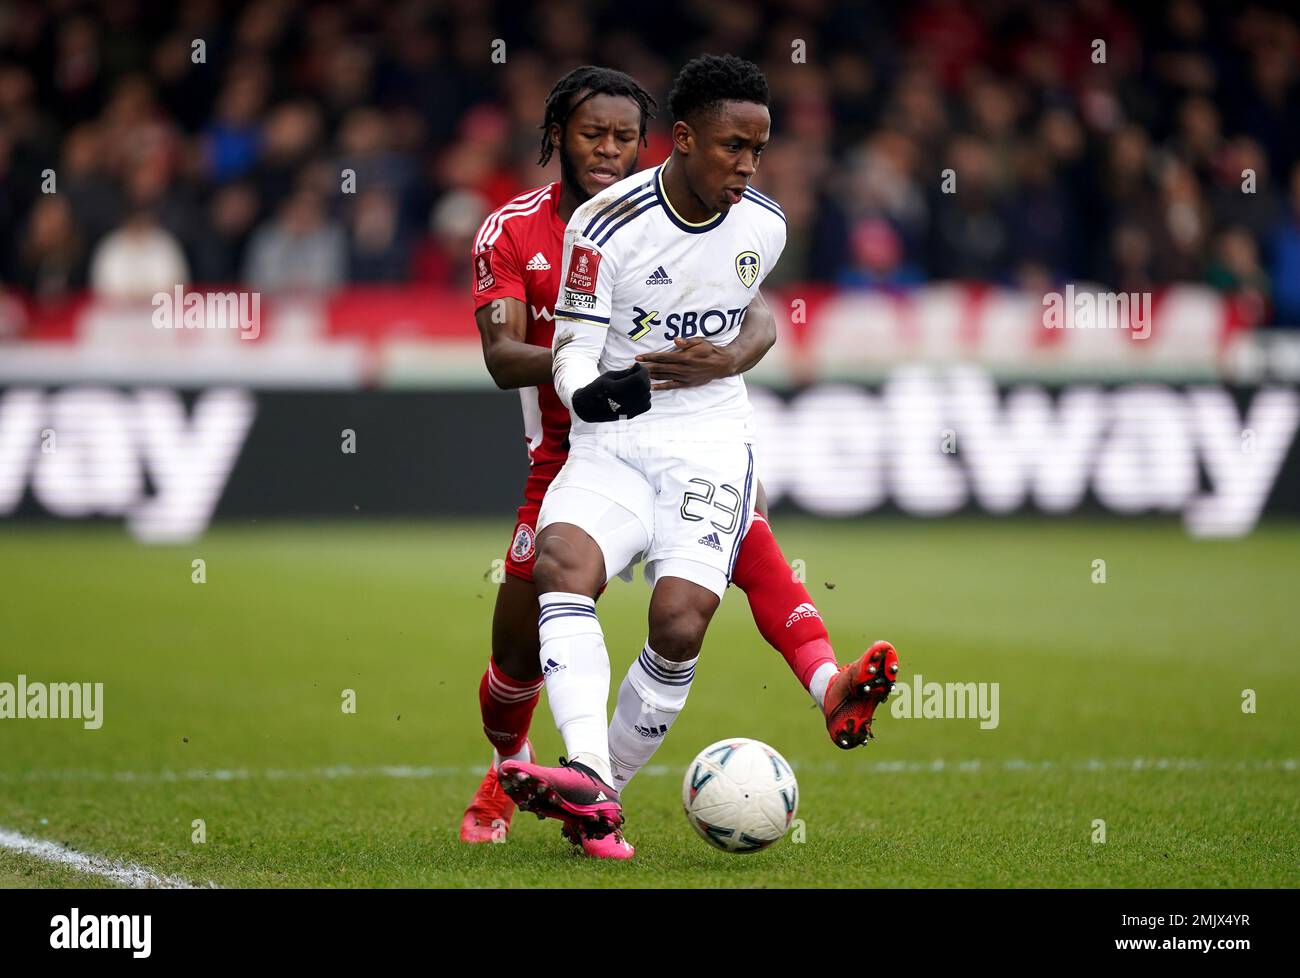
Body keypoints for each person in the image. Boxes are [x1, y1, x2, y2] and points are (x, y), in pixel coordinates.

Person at [494, 56, 899, 859]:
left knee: (679, 623)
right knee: (561, 567)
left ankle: (598, 794)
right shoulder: (603, 224)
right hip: (612, 438)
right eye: (731, 147)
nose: (747, 165)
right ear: (682, 139)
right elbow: (569, 350)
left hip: (709, 442)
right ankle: (581, 765)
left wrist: (734, 355)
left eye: (758, 148)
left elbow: (757, 314)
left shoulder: (767, 224)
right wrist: (592, 393)